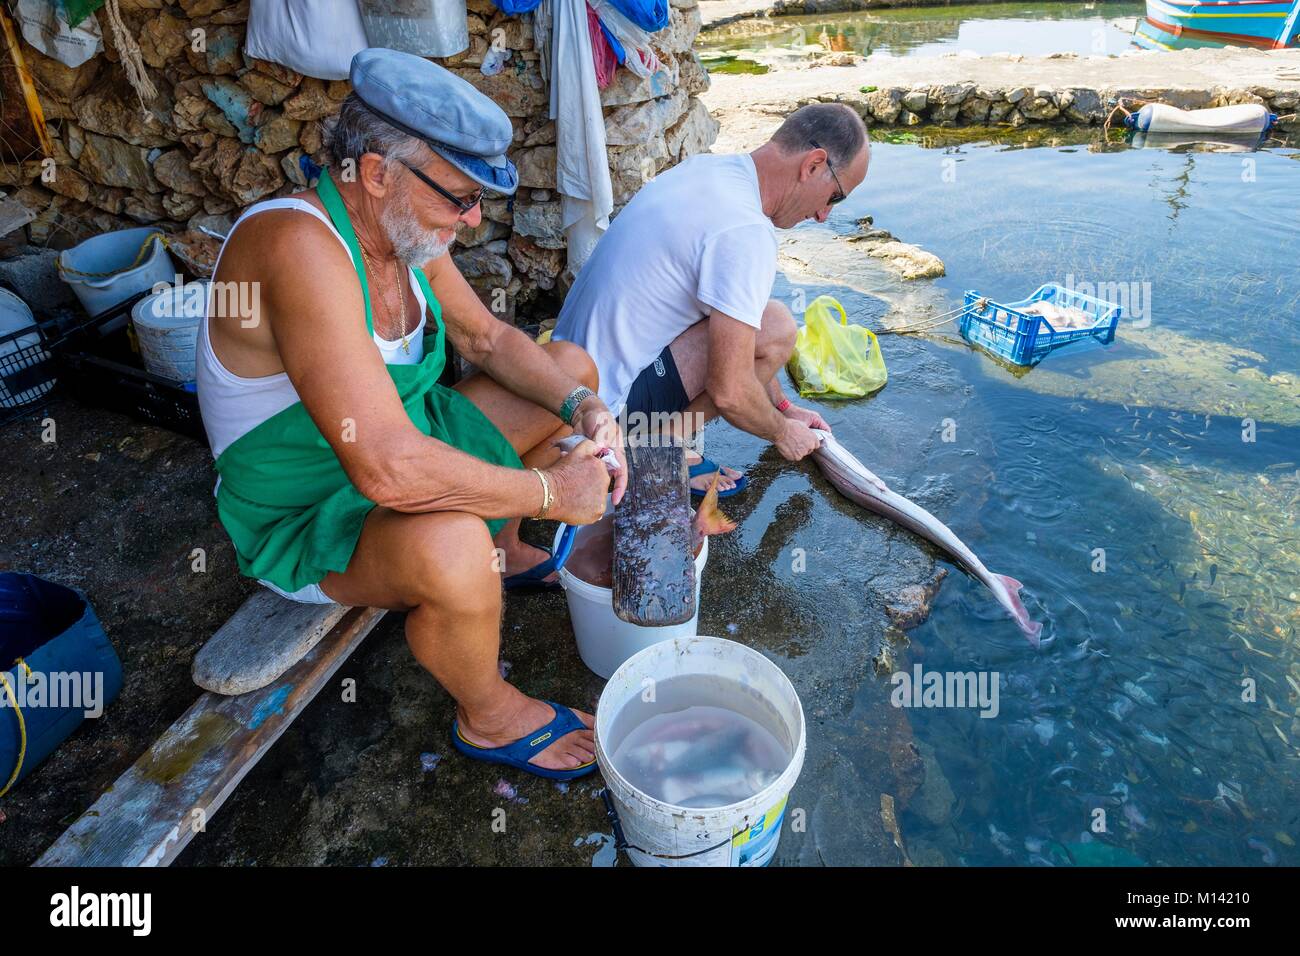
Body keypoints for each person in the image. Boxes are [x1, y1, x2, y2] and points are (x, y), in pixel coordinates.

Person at [196, 50, 626, 781]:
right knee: (454, 547)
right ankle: (488, 714)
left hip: (407, 442)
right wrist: (553, 493)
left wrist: (581, 404)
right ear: (375, 172)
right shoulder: (298, 245)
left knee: (570, 368)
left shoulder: (399, 222)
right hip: (311, 509)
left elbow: (484, 337)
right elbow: (387, 467)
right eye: (459, 197)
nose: (473, 217)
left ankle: (511, 549)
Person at [553, 103, 871, 496]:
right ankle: (657, 449)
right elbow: (730, 390)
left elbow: (743, 324)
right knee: (779, 330)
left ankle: (659, 439)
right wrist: (782, 432)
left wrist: (784, 407)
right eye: (835, 197)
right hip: (602, 409)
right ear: (813, 165)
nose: (825, 215)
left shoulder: (712, 171)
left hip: (565, 381)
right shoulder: (745, 231)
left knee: (770, 322)